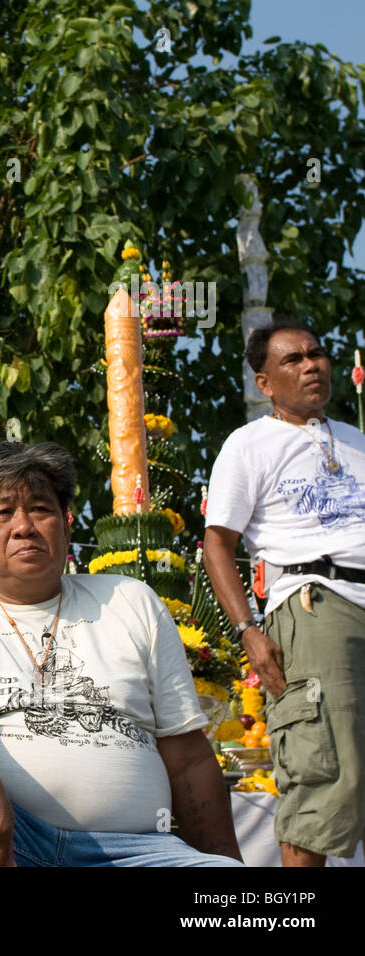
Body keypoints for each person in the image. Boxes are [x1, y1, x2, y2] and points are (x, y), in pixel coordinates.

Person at [0, 441, 243, 867]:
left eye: (40, 509)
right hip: (1, 844)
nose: (24, 526)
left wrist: (227, 860)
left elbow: (188, 758)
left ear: (66, 528)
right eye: (2, 513)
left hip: (136, 854)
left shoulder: (130, 601)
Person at [203, 319, 365, 867]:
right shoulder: (249, 444)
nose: (311, 365)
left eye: (316, 354)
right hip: (316, 601)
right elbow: (217, 543)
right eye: (292, 360)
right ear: (264, 383)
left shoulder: (355, 438)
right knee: (323, 773)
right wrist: (249, 630)